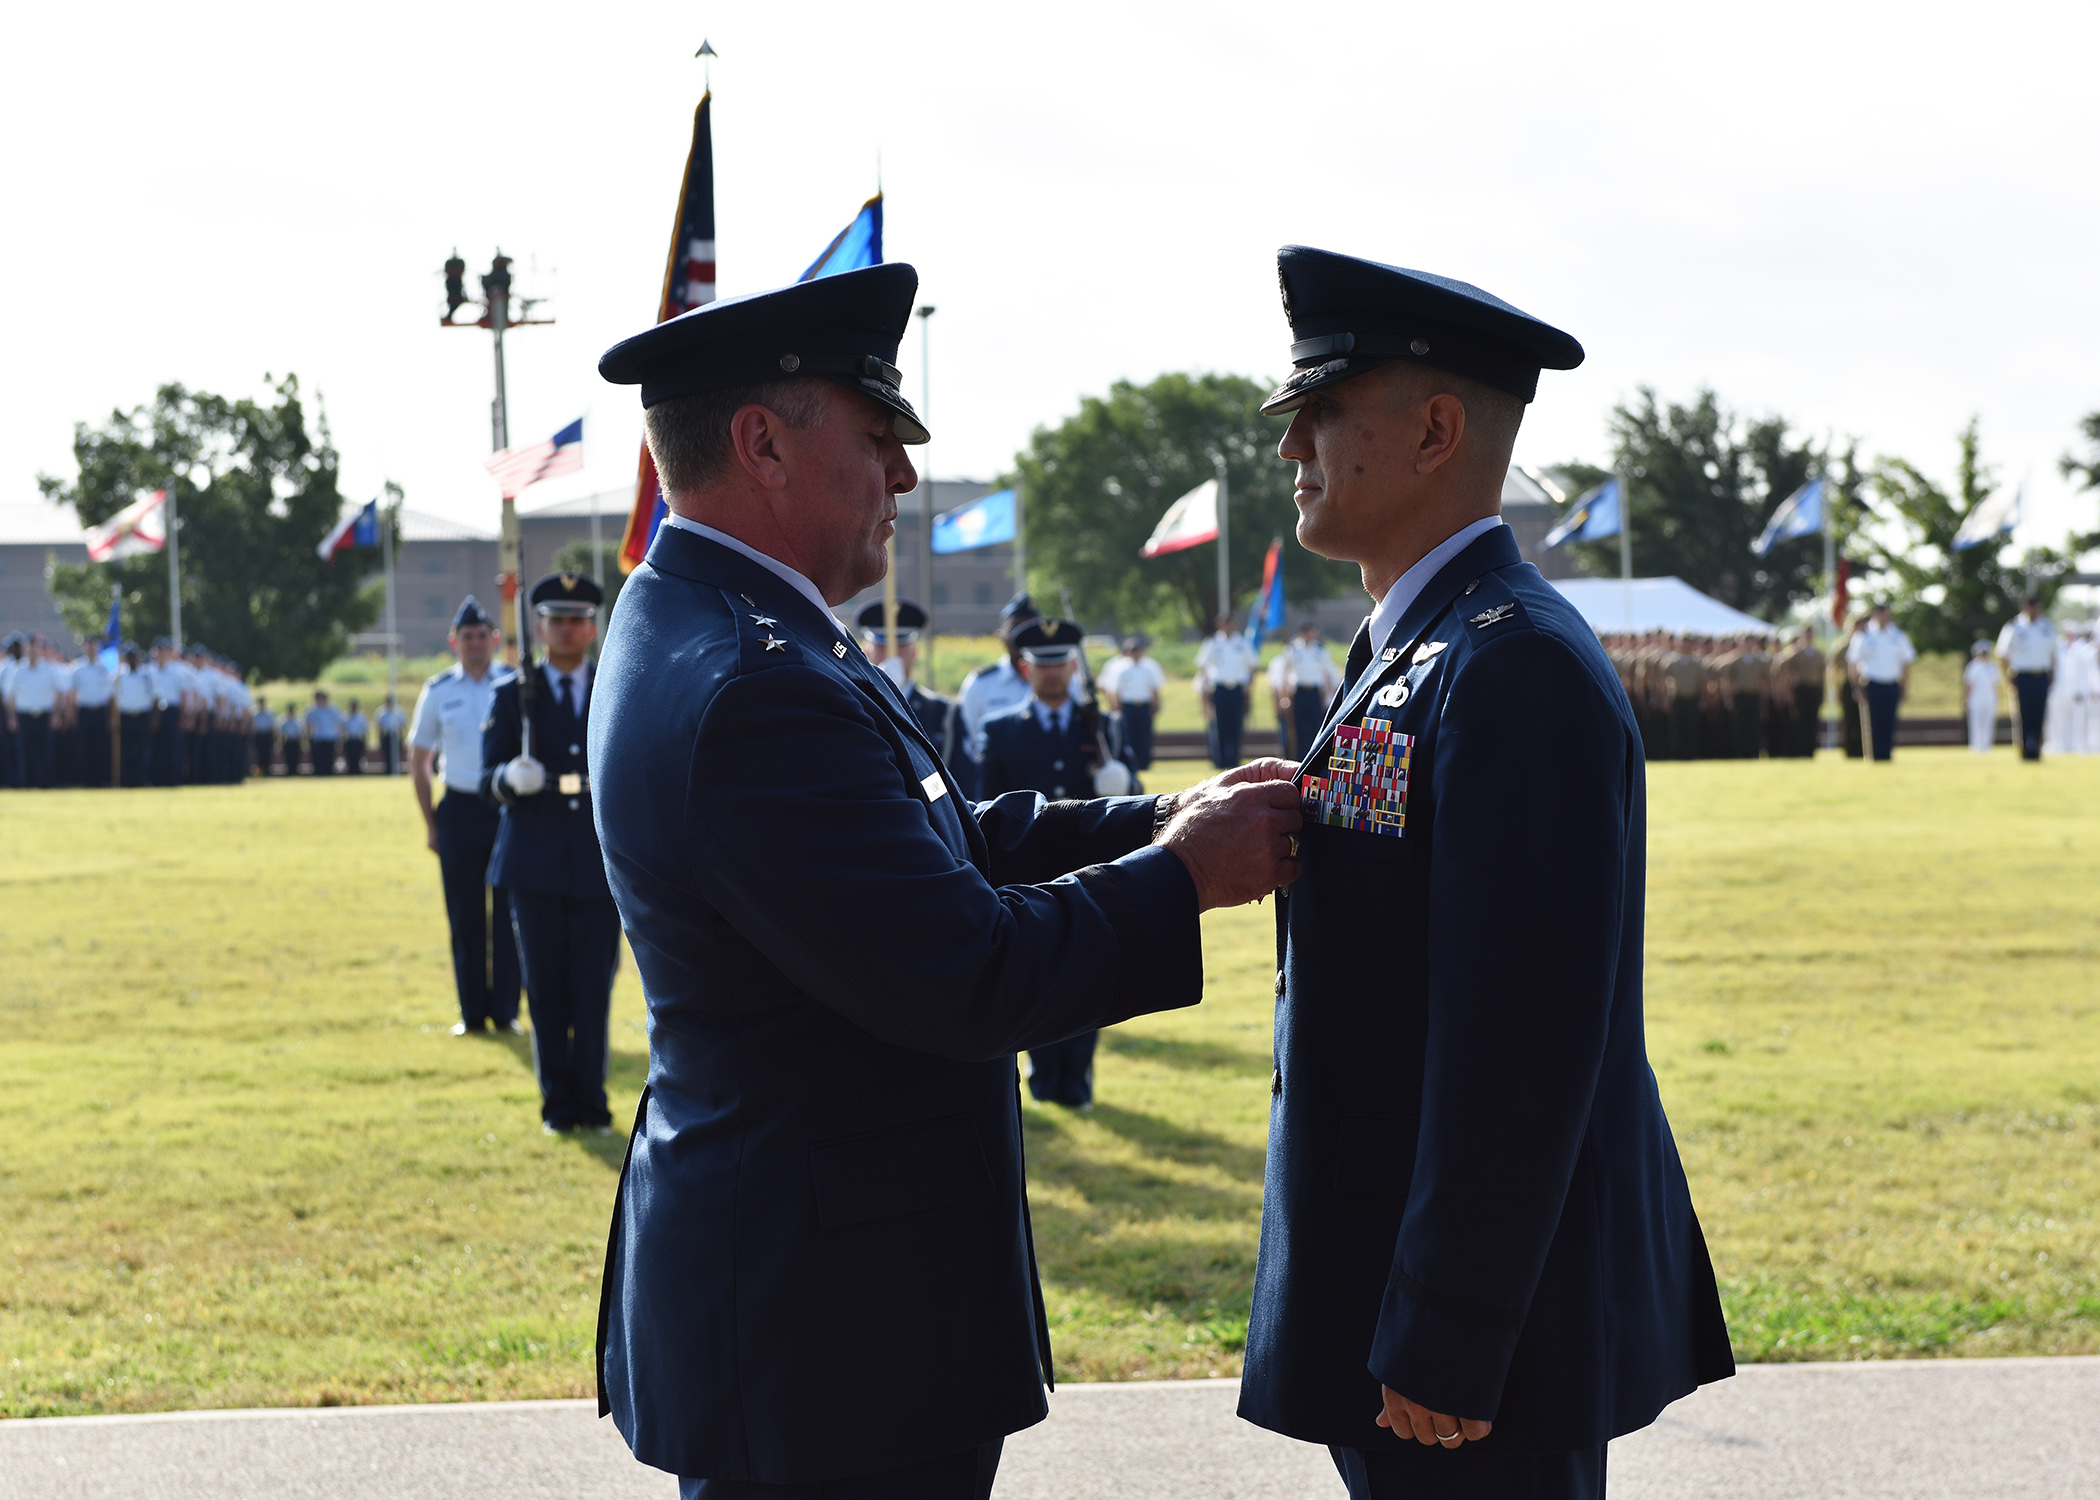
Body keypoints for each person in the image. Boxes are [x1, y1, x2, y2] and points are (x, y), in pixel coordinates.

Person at [588, 262, 1302, 1499]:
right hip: (828, 1330)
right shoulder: (756, 678)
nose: (906, 480)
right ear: (761, 442)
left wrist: (1155, 815)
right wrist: (1181, 875)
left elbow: (940, 836)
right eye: (879, 440)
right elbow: (960, 967)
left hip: (820, 1297)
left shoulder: (733, 622)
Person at [1236, 245, 1732, 1500]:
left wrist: (1452, 1326)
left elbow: (1521, 1040)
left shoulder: (1513, 666)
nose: (1291, 449)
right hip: (1398, 1279)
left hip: (1476, 1336)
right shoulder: (1421, 645)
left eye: (1323, 416)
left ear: (1436, 430)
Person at [979, 617, 1140, 1110]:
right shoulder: (1002, 730)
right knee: (1036, 979)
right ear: (1025, 668)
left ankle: (1078, 1082)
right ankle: (1044, 1078)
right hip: (1029, 878)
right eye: (1042, 666)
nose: (1053, 675)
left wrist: (1124, 780)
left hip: (1092, 872)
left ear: (1074, 665)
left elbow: (1134, 802)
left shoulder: (1104, 725)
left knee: (1090, 976)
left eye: (1061, 664)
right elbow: (988, 809)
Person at [481, 572, 619, 1134]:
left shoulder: (617, 684)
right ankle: (557, 1107)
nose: (566, 630)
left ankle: (592, 1102)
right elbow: (487, 775)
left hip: (595, 860)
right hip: (534, 861)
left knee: (592, 991)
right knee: (545, 989)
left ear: (592, 627)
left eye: (577, 620)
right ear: (539, 627)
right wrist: (511, 778)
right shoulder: (515, 693)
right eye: (556, 620)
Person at [409, 597, 521, 1037]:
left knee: (510, 916)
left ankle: (506, 1012)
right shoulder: (439, 691)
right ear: (454, 641)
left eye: (482, 636)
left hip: (508, 809)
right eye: (467, 637)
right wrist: (431, 825)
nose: (475, 644)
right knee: (465, 916)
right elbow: (419, 761)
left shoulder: (513, 683)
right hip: (458, 809)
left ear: (494, 639)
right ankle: (472, 1015)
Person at [954, 594, 1039, 798]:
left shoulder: (1065, 683)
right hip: (998, 792)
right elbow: (971, 740)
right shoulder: (980, 684)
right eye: (1015, 627)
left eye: (1029, 628)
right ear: (1001, 634)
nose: (1022, 635)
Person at [856, 599, 954, 753]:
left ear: (915, 653)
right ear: (866, 652)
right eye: (882, 646)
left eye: (900, 645)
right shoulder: (855, 705)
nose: (892, 653)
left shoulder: (942, 711)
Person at [1846, 602, 1914, 762]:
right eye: (1881, 614)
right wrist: (1855, 686)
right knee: (1873, 723)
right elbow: (1853, 663)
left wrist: (1904, 685)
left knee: (1889, 722)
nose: (1884, 618)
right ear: (1875, 615)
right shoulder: (1864, 636)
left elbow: (1906, 661)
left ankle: (1886, 755)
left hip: (1891, 683)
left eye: (1886, 614)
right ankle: (1874, 756)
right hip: (1872, 683)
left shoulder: (1897, 636)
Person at [1995, 596, 2056, 761]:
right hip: (2022, 676)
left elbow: (2053, 654)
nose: (2033, 610)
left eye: (2035, 607)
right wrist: (2008, 674)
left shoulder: (2047, 627)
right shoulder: (2014, 627)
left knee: (2039, 713)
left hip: (2041, 675)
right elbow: (2002, 653)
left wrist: (2052, 673)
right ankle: (2023, 749)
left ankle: (2037, 748)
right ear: (2024, 608)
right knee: (2023, 714)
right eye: (2030, 607)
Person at [1196, 613, 1258, 766]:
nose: (1228, 627)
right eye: (1225, 624)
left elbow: (1252, 667)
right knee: (1220, 726)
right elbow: (1203, 667)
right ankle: (1220, 761)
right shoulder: (1212, 643)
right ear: (1220, 625)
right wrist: (1204, 690)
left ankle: (1234, 761)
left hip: (1237, 689)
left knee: (1236, 726)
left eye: (1231, 623)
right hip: (1219, 689)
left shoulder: (1243, 643)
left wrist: (1248, 688)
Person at [1098, 635, 1164, 769]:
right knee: (1129, 735)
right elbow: (1116, 690)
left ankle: (1144, 763)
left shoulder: (1149, 667)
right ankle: (1132, 762)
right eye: (1134, 650)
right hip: (1128, 706)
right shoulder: (1122, 668)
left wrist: (1156, 705)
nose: (1136, 653)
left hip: (1144, 704)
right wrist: (1117, 708)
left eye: (1138, 650)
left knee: (1145, 735)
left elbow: (1154, 689)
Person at [6, 636, 63, 789]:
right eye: (30, 647)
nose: (32, 651)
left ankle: (46, 784)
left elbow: (58, 693)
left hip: (44, 715)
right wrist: (12, 717)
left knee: (46, 752)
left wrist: (56, 715)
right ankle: (26, 784)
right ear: (26, 649)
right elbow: (10, 697)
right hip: (24, 716)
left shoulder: (49, 670)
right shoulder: (18, 670)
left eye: (36, 647)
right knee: (25, 754)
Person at [1280, 622, 1342, 760]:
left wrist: (1329, 696)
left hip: (1315, 692)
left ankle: (1313, 757)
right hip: (1299, 691)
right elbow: (1284, 673)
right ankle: (1300, 758)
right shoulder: (1293, 649)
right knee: (1299, 727)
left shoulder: (1320, 650)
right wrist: (1284, 696)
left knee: (1315, 726)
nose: (1312, 635)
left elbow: (1329, 673)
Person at [66, 642, 116, 788]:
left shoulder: (104, 668)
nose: (91, 649)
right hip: (84, 711)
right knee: (84, 748)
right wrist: (71, 714)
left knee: (101, 748)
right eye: (88, 645)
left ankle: (102, 780)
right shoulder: (77, 668)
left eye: (93, 646)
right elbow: (72, 693)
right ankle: (86, 780)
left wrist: (112, 717)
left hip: (100, 711)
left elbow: (110, 695)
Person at [116, 644, 155, 786]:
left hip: (142, 716)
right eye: (129, 657)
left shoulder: (146, 675)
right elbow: (114, 698)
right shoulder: (119, 676)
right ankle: (126, 781)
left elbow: (155, 698)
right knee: (125, 750)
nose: (131, 659)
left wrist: (153, 719)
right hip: (125, 716)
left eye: (134, 656)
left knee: (143, 750)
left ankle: (142, 779)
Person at [1963, 641, 2000, 753]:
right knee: (1976, 723)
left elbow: (1995, 684)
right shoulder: (1973, 666)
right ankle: (1976, 747)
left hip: (1989, 699)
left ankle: (1987, 747)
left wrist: (1996, 699)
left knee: (1988, 723)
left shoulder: (1993, 666)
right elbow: (1969, 685)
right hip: (1976, 699)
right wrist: (1966, 699)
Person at [305, 690, 344, 775]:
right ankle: (319, 772)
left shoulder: (334, 709)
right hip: (318, 737)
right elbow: (308, 724)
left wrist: (340, 737)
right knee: (318, 758)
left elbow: (339, 724)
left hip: (331, 736)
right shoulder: (312, 710)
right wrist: (308, 737)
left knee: (329, 757)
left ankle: (329, 772)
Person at [377, 695, 408, 775]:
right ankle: (388, 771)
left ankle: (396, 770)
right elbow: (379, 726)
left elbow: (403, 725)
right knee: (387, 754)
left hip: (396, 735)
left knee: (397, 755)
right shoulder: (381, 712)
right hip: (387, 735)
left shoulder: (399, 711)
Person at [343, 699, 370, 774]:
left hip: (358, 739)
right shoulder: (345, 717)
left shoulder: (361, 717)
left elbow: (365, 729)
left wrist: (365, 741)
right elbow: (342, 729)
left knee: (358, 757)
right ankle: (350, 771)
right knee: (349, 757)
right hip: (349, 739)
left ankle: (358, 771)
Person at [252, 699, 278, 775]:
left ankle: (267, 770)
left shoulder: (270, 712)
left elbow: (273, 726)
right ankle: (259, 771)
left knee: (267, 753)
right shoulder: (254, 713)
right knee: (258, 754)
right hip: (258, 735)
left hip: (267, 735)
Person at [279, 700, 305, 776]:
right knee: (287, 757)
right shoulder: (283, 720)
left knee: (296, 756)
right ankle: (289, 771)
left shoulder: (299, 720)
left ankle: (295, 771)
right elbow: (281, 733)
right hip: (287, 740)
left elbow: (301, 732)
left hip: (296, 740)